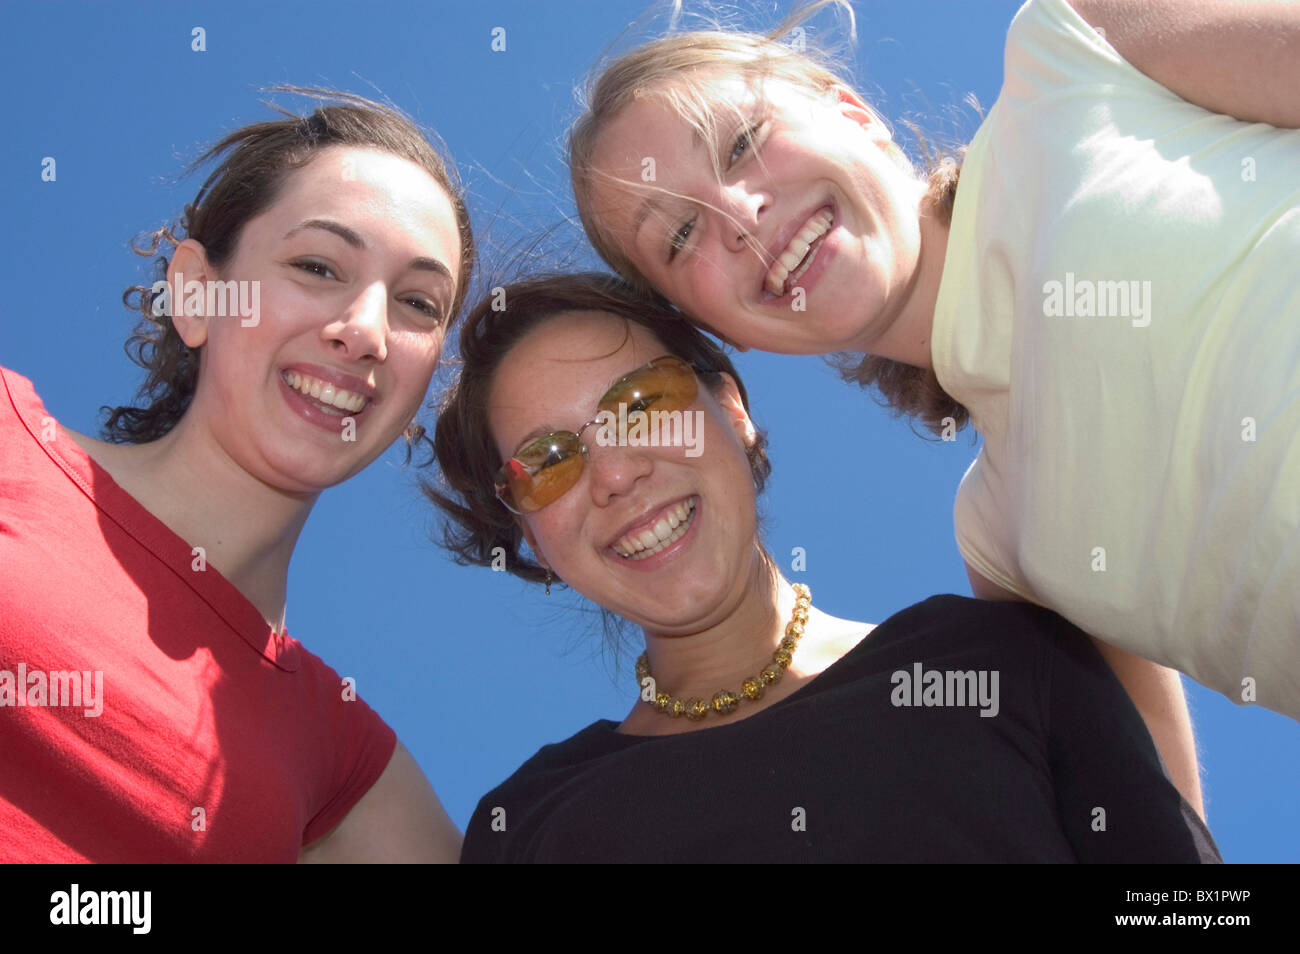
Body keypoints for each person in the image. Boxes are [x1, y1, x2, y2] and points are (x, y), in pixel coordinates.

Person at [565, 0, 1300, 798]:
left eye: (742, 143)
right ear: (715, 329)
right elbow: (1160, 831)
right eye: (679, 236)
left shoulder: (1074, 52)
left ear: (851, 112)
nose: (740, 216)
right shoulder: (1006, 549)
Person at [426, 272, 1220, 863]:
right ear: (530, 535)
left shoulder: (1001, 659)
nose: (615, 475)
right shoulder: (525, 826)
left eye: (641, 405)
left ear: (731, 409)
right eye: (549, 461)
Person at [0, 89, 475, 862]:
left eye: (418, 304)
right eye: (318, 265)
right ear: (193, 292)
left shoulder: (342, 754)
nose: (364, 331)